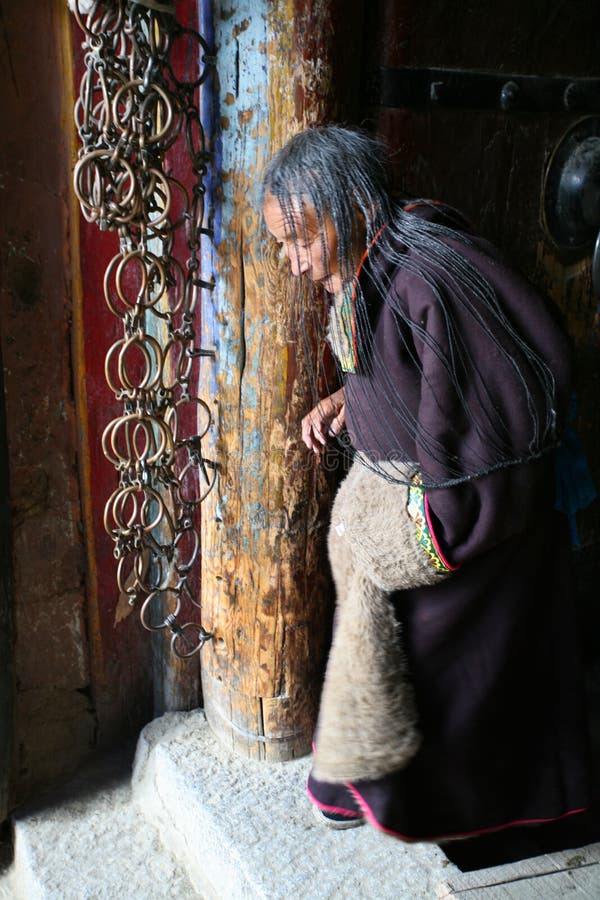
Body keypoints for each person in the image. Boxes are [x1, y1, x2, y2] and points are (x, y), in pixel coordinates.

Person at [261, 125, 592, 841]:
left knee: (439, 648)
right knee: (385, 635)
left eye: (299, 240)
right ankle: (360, 780)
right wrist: (347, 403)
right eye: (282, 245)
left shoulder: (427, 273)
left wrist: (438, 524)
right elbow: (407, 371)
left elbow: (482, 404)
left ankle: (421, 798)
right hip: (426, 491)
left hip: (479, 505)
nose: (291, 263)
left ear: (348, 208)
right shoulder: (370, 264)